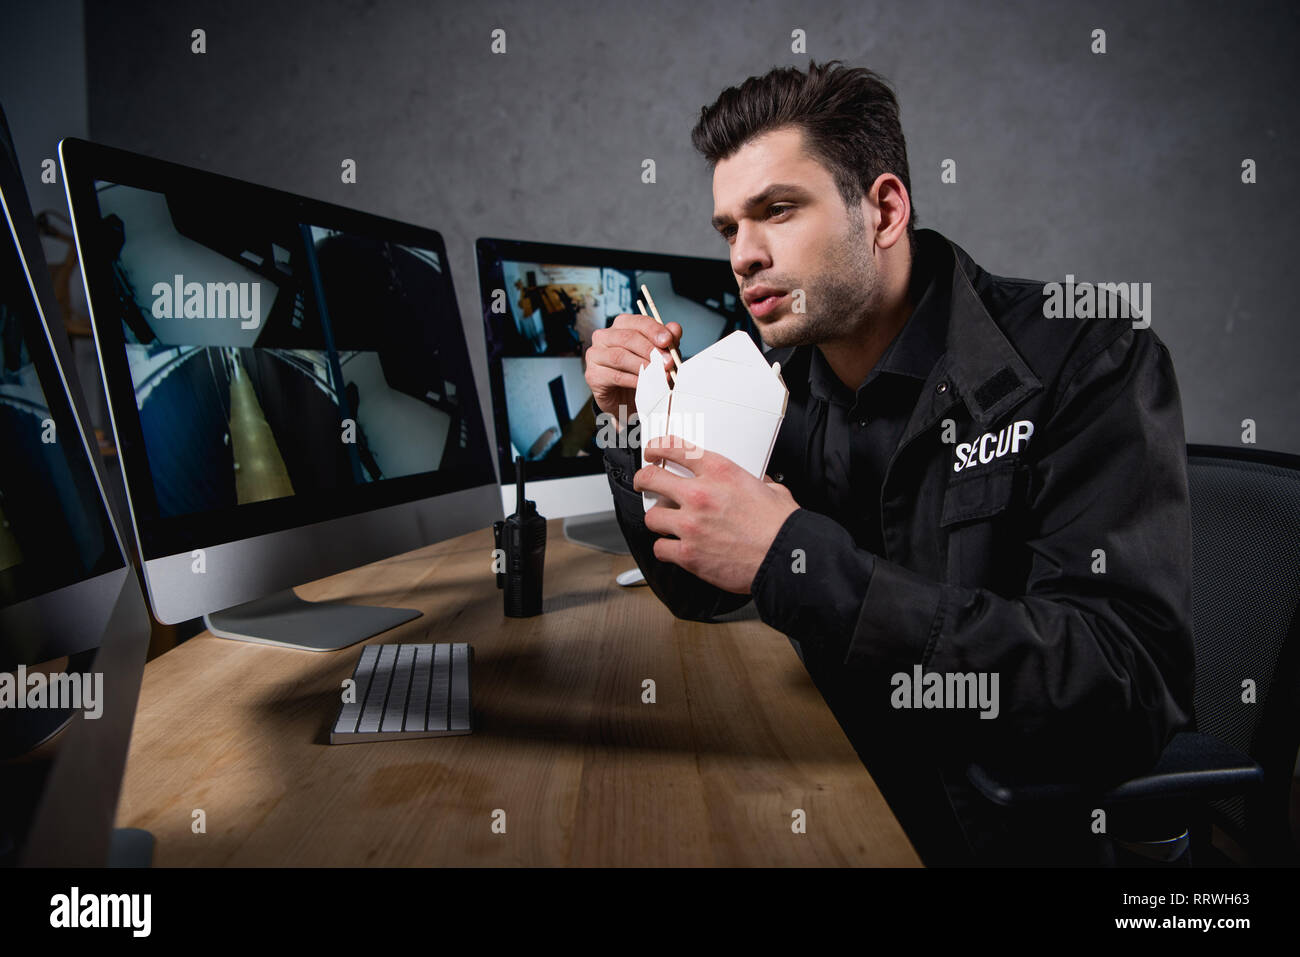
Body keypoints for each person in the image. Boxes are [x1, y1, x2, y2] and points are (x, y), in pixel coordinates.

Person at [583, 60, 1194, 865]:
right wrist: (635, 426)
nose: (744, 256)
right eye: (730, 228)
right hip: (836, 793)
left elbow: (1124, 686)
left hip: (994, 834)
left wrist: (792, 559)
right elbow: (697, 588)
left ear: (884, 209)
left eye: (777, 211)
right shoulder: (774, 392)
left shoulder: (1087, 353)